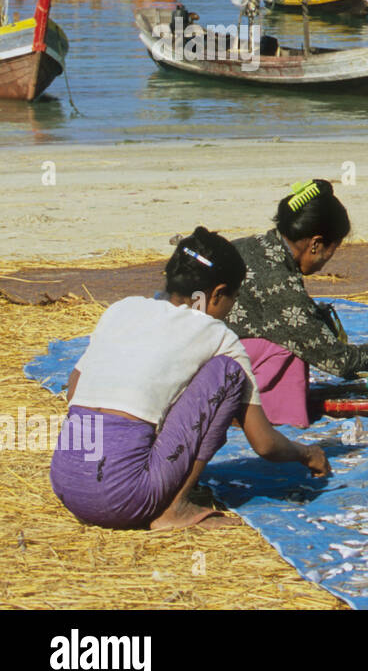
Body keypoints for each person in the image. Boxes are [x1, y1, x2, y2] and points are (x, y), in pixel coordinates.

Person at [49, 228, 329, 531]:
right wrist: (307, 453)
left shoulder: (122, 309)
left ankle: (117, 481)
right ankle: (175, 507)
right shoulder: (220, 337)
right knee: (227, 374)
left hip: (67, 485)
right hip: (123, 499)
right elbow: (264, 444)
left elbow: (75, 387)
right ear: (218, 294)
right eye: (232, 299)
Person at [226, 180, 368, 427]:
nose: (327, 261)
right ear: (315, 244)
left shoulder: (251, 245)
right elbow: (341, 363)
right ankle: (255, 415)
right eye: (331, 251)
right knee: (288, 347)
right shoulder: (281, 285)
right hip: (213, 366)